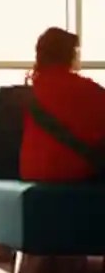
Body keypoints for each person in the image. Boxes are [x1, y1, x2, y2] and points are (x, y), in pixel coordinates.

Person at [21, 27, 105, 181]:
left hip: (31, 174)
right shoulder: (87, 89)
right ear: (70, 55)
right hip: (74, 173)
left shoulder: (32, 91)